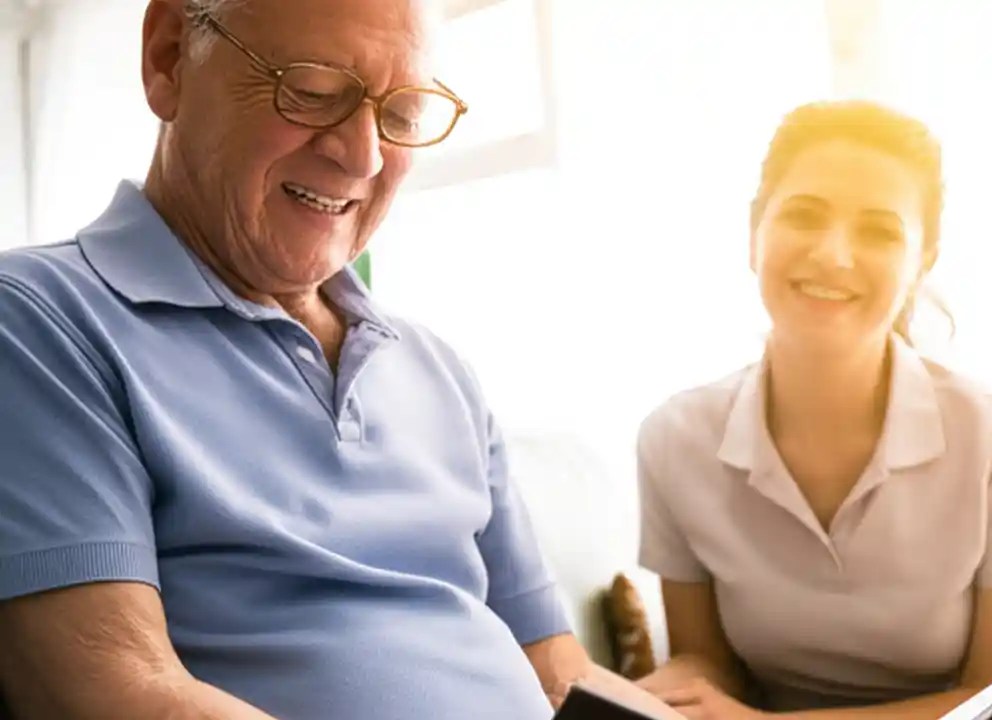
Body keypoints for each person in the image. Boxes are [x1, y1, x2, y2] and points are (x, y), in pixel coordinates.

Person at [0, 1, 590, 718]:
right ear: (167, 58)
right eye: (311, 92)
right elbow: (109, 695)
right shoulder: (37, 319)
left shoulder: (439, 369)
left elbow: (556, 672)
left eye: (402, 115)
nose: (364, 155)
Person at [633, 101, 992, 720]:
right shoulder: (675, 439)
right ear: (754, 234)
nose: (834, 255)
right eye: (804, 216)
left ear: (923, 262)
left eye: (879, 231)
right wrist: (661, 694)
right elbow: (708, 660)